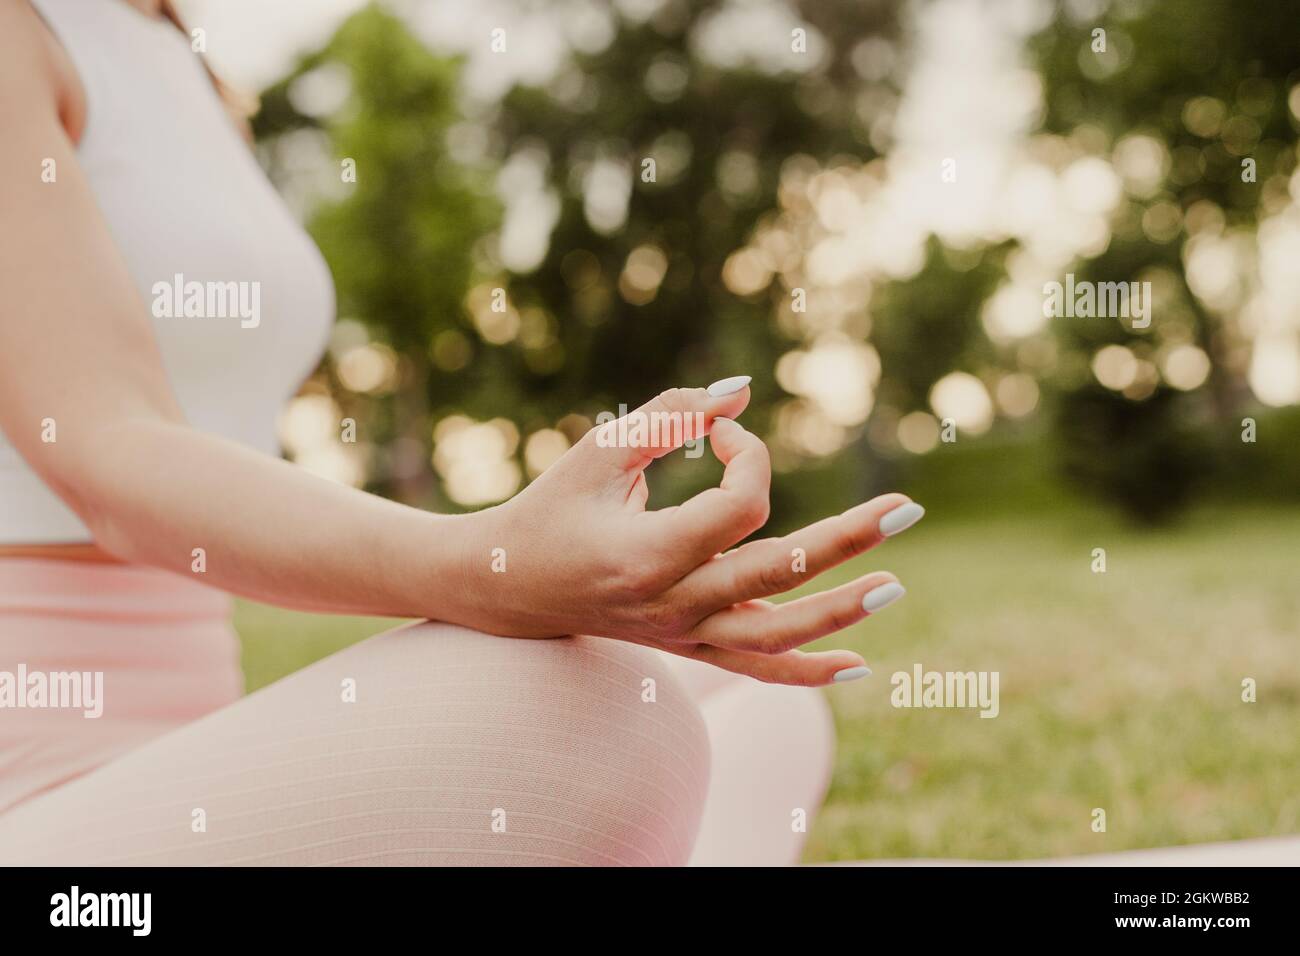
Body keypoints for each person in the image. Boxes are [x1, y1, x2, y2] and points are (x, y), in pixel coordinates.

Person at [0, 0, 924, 866]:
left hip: (183, 754)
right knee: (590, 719)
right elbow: (105, 447)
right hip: (32, 793)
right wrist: (488, 561)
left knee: (751, 709)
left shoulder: (180, 55)